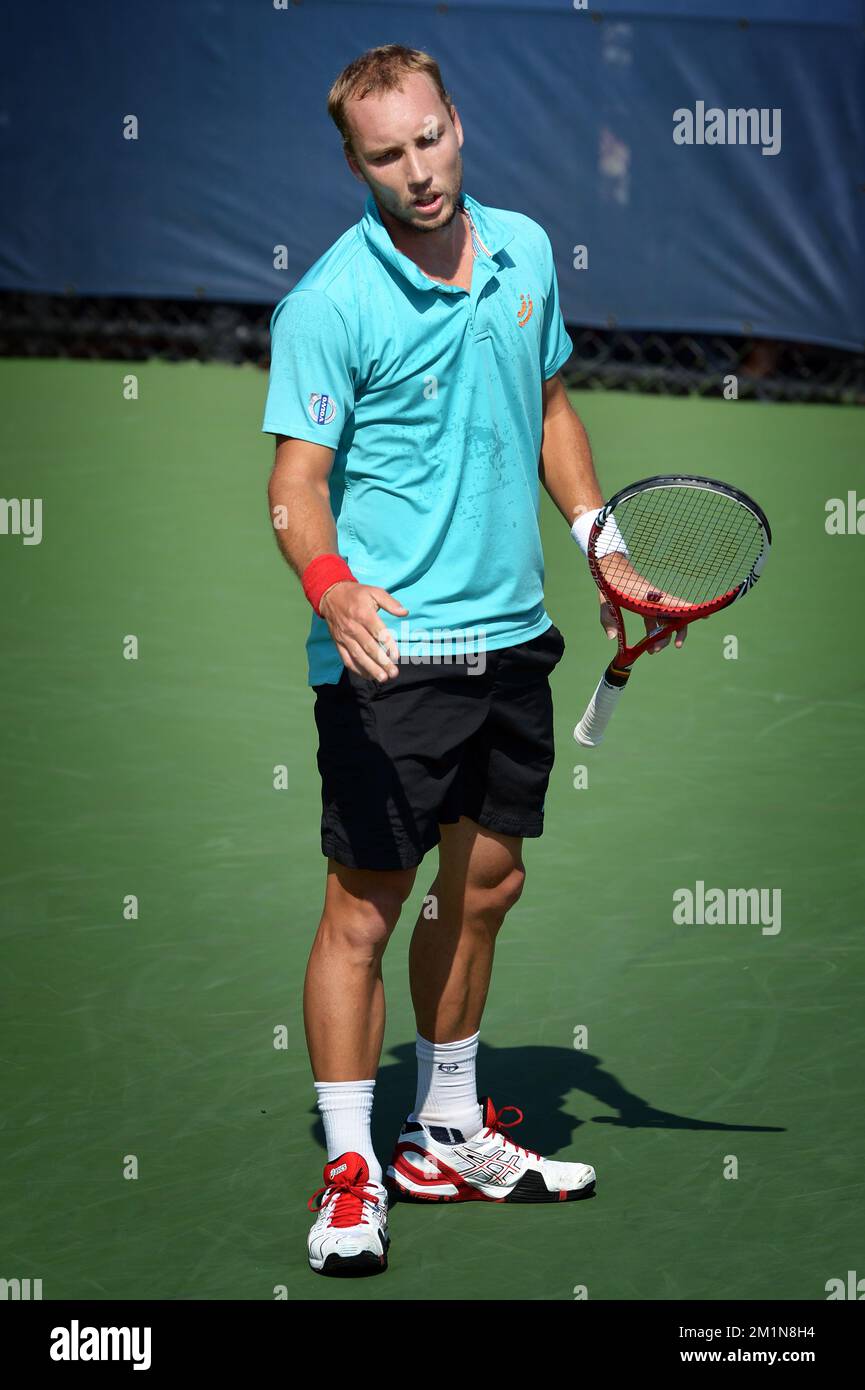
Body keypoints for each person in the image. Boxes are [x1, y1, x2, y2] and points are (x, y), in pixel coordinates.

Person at [262, 44, 683, 1277]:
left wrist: (602, 547)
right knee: (367, 910)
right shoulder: (331, 301)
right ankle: (352, 1165)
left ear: (458, 124)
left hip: (511, 642)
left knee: (484, 887)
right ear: (355, 163)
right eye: (386, 156)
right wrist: (332, 588)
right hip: (389, 657)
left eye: (430, 139)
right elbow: (294, 485)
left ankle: (444, 1129)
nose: (419, 172)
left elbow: (550, 406)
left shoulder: (526, 252)